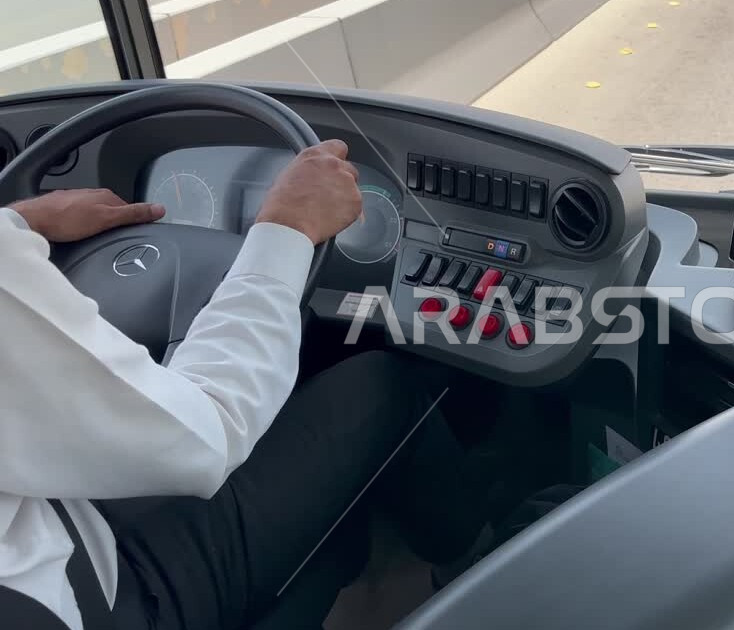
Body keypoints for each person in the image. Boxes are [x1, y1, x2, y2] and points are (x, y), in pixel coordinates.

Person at [0, 140, 482, 629]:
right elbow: (210, 429)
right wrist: (287, 229)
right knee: (380, 388)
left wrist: (18, 223)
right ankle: (473, 569)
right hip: (93, 600)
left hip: (36, 517)